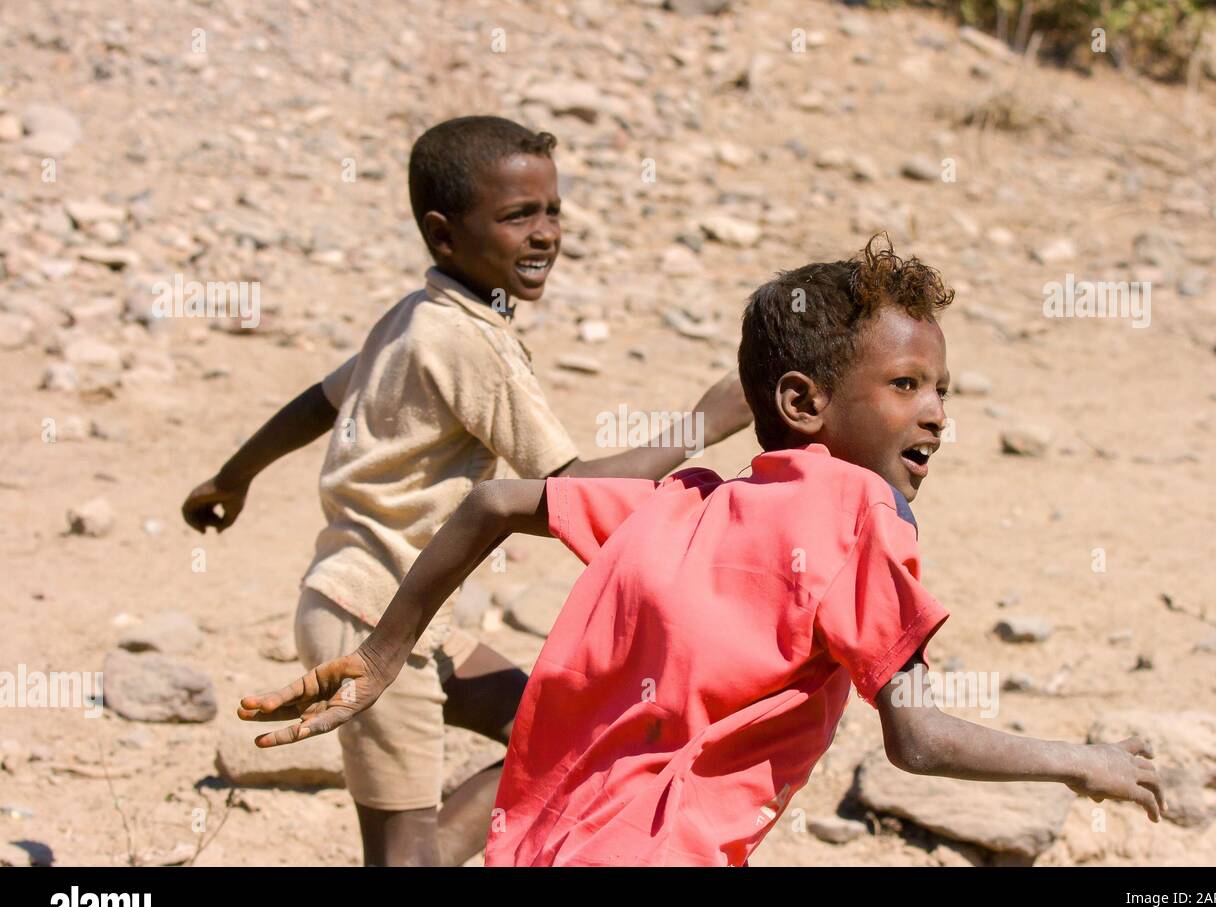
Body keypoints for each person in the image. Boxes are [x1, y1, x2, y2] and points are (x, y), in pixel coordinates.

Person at [237, 235, 1165, 866]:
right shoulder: (862, 517)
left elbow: (490, 504)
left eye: (942, 389)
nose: (935, 412)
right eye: (907, 384)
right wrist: (1081, 762)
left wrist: (384, 654)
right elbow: (917, 738)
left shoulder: (681, 503)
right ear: (804, 403)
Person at [184, 116, 751, 866]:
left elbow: (318, 402)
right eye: (519, 216)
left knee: (563, 733)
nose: (546, 234)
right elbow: (566, 489)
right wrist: (704, 424)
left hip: (414, 615)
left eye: (554, 212)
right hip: (370, 623)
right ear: (444, 236)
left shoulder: (415, 316)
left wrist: (234, 475)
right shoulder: (469, 342)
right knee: (402, 853)